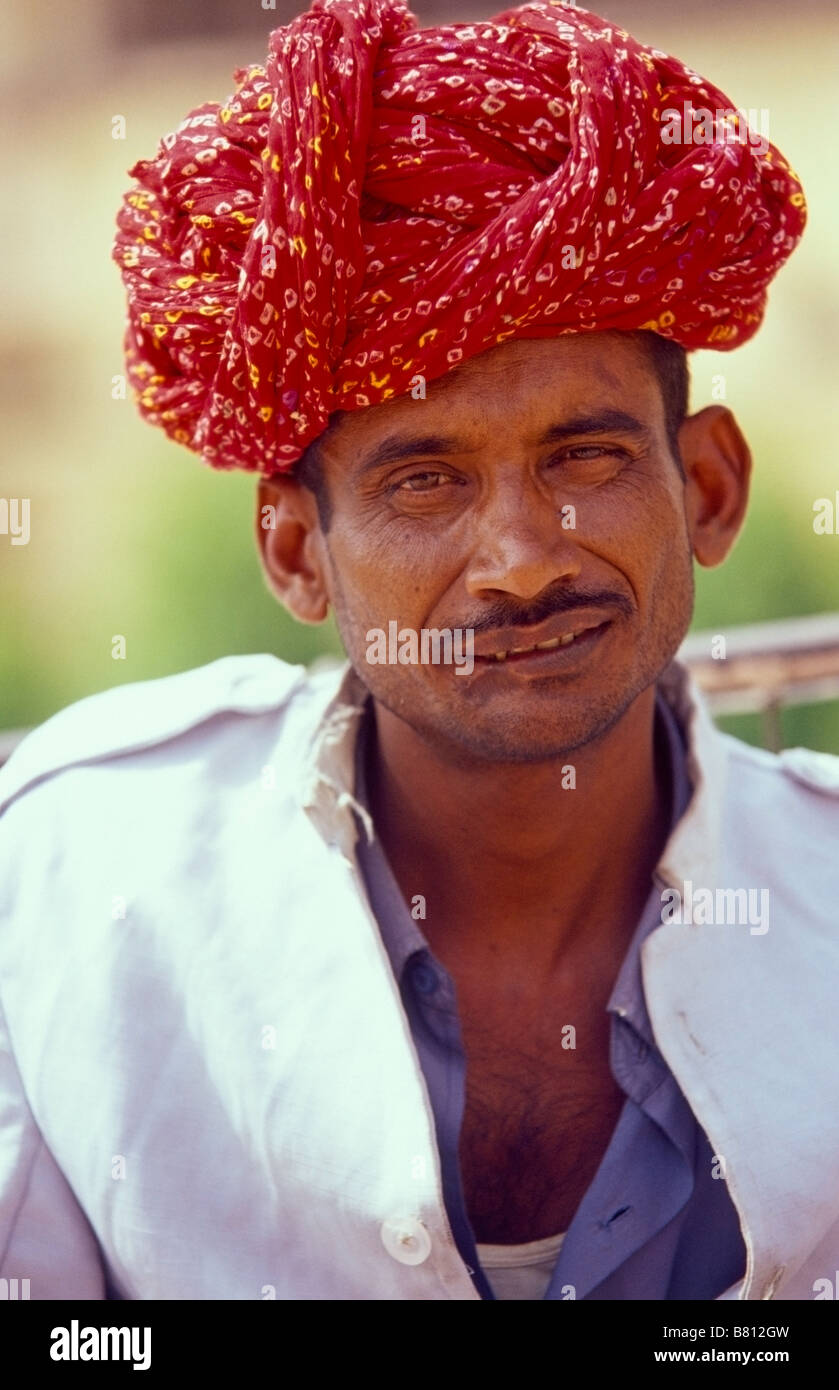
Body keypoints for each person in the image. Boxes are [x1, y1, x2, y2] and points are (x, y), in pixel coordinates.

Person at [1, 0, 836, 1302]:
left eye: (587, 455)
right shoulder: (73, 887)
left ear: (711, 488)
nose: (521, 557)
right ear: (294, 553)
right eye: (425, 480)